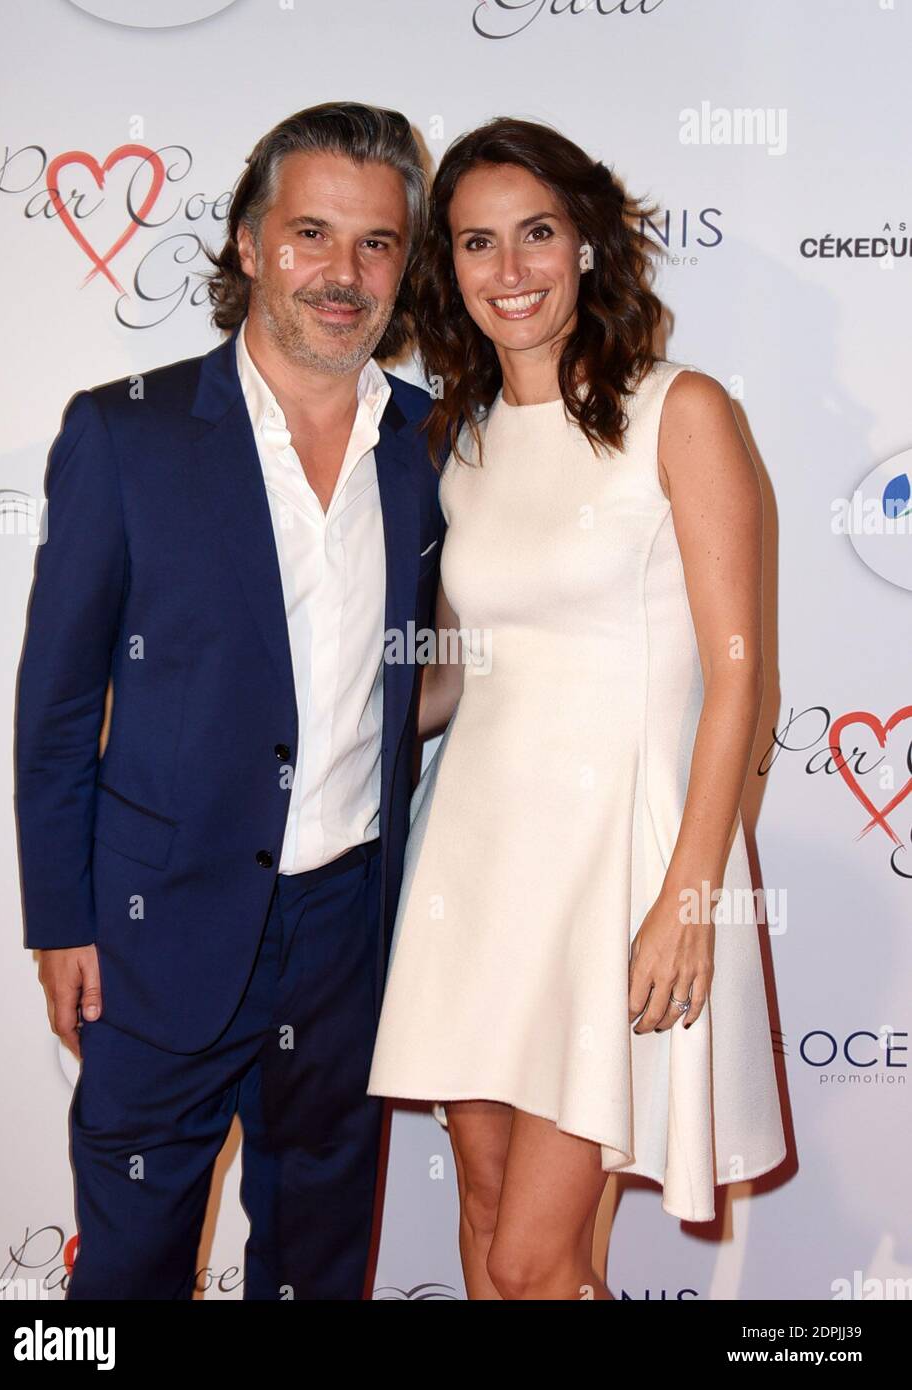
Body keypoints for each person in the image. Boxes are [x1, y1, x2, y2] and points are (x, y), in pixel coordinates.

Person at [15, 102, 444, 1300]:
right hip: (156, 926)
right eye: (311, 233)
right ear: (251, 244)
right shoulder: (124, 434)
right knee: (129, 1274)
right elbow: (54, 705)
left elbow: (413, 669)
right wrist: (59, 919)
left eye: (376, 244)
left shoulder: (431, 442)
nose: (342, 274)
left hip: (347, 935)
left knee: (315, 1261)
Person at [367, 117, 786, 1300]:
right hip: (476, 859)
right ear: (448, 270)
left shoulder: (680, 411)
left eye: (537, 233)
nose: (510, 270)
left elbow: (740, 675)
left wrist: (689, 893)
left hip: (612, 863)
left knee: (534, 1257)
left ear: (587, 243)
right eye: (477, 243)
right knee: (489, 1220)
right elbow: (461, 673)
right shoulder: (462, 441)